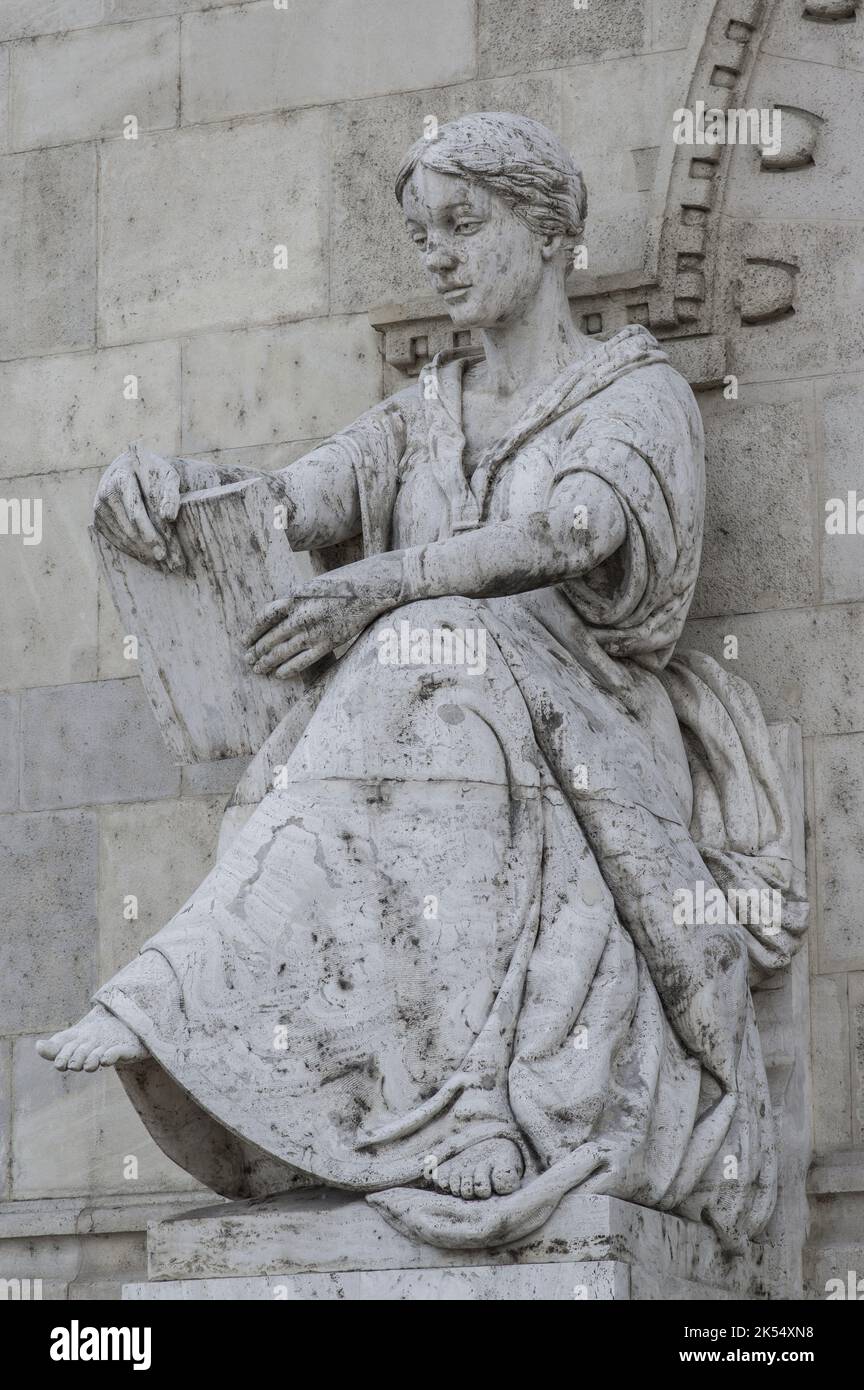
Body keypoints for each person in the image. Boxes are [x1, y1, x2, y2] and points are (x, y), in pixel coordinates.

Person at [38, 113, 806, 1252]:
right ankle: (229, 1018)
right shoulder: (420, 417)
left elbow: (572, 528)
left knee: (427, 642)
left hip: (590, 735)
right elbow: (287, 504)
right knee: (416, 672)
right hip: (433, 720)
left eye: (461, 222)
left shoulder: (634, 395)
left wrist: (389, 587)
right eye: (420, 233)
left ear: (548, 233)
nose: (437, 253)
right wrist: (162, 492)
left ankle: (452, 1089)